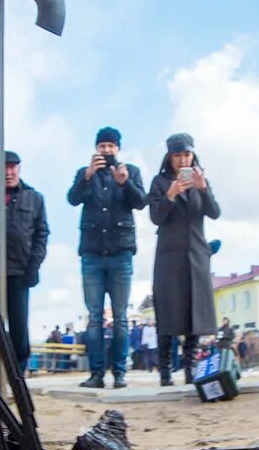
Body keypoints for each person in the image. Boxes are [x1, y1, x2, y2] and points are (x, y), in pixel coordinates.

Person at [69, 126, 148, 389]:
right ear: (95, 149)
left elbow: (140, 202)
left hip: (121, 253)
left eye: (111, 146)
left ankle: (120, 373)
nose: (106, 150)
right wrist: (88, 176)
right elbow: (72, 198)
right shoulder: (85, 173)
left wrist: (125, 183)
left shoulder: (130, 171)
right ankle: (96, 374)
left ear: (118, 148)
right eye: (102, 146)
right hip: (91, 254)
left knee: (121, 317)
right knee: (93, 317)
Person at [148, 133, 222, 387]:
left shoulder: (201, 181)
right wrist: (170, 195)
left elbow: (214, 213)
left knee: (194, 312)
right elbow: (155, 218)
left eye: (186, 154)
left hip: (196, 255)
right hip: (169, 255)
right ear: (169, 157)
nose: (182, 160)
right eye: (177, 155)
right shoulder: (159, 183)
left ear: (193, 155)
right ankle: (166, 372)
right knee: (168, 313)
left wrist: (203, 188)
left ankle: (191, 370)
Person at [2, 150, 49, 371]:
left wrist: (34, 266)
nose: (9, 172)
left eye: (13, 167)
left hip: (20, 272)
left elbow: (41, 234)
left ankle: (18, 370)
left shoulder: (34, 197)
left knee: (19, 324)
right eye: (4, 167)